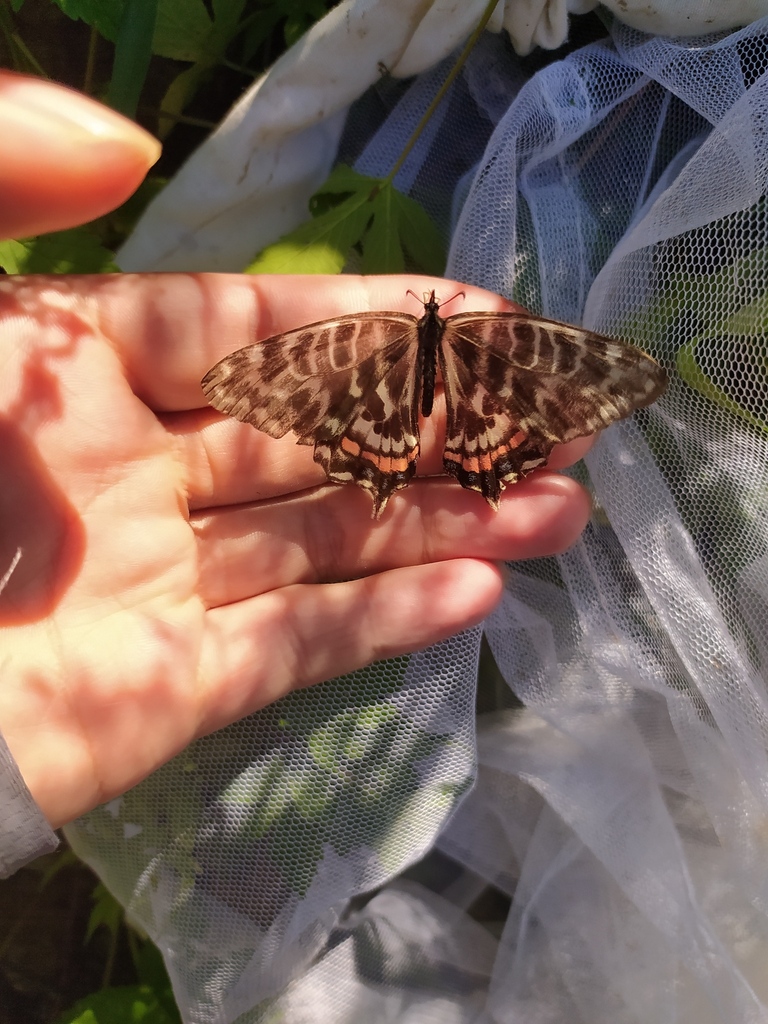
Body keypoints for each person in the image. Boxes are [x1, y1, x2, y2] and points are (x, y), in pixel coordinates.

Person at [0, 72, 593, 876]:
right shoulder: (403, 335)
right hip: (456, 406)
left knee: (417, 462)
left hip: (381, 406)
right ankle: (460, 453)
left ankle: (412, 457)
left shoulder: (364, 337)